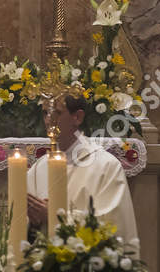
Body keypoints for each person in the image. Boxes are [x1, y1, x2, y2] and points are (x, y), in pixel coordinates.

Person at [26, 93, 138, 240]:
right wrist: (33, 222)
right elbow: (19, 231)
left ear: (77, 117)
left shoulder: (106, 166)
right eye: (45, 113)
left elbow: (113, 229)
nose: (48, 120)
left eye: (57, 113)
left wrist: (57, 217)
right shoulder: (38, 168)